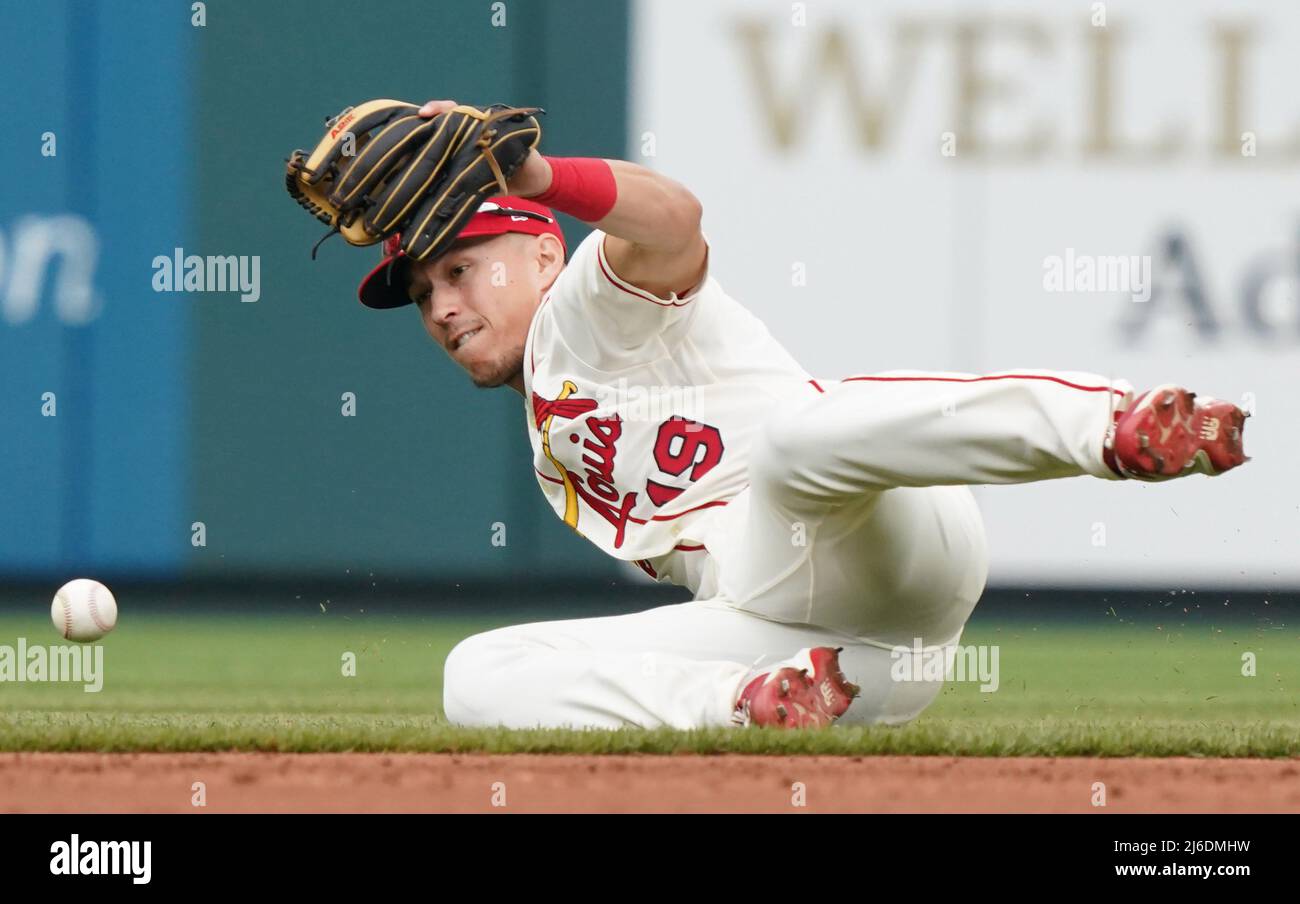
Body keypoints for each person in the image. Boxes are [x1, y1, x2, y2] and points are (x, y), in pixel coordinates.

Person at [355, 99, 1250, 730]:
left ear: (544, 255)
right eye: (425, 289)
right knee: (475, 675)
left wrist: (542, 174)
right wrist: (757, 677)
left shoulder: (584, 306)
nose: (441, 305)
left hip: (878, 536)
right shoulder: (550, 436)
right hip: (858, 657)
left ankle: (1115, 430)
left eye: (462, 268)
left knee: (798, 433)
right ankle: (755, 705)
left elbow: (673, 222)